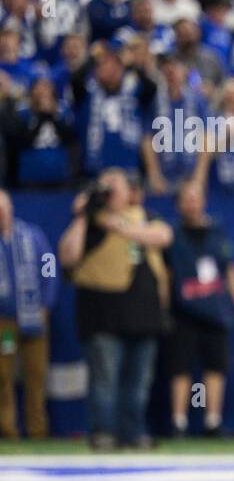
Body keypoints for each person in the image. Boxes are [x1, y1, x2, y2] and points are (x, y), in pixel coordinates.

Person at [57, 167, 172, 449]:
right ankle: (103, 432)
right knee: (104, 379)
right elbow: (68, 257)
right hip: (102, 314)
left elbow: (164, 236)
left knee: (139, 382)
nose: (109, 192)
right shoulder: (90, 223)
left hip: (144, 315)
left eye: (114, 186)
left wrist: (119, 225)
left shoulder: (145, 217)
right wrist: (83, 215)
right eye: (104, 187)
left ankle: (133, 433)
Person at [164, 182, 234, 437]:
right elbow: (165, 274)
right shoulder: (171, 235)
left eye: (195, 198)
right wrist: (164, 306)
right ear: (178, 204)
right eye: (186, 199)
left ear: (204, 201)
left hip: (216, 310)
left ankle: (212, 421)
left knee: (215, 367)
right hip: (184, 311)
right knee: (181, 368)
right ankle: (179, 421)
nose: (191, 203)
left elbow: (230, 269)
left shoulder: (217, 231)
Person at [0, 189, 57, 438]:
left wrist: (46, 303)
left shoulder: (32, 236)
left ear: (11, 208)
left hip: (35, 320)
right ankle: (8, 430)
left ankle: (37, 430)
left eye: (4, 207)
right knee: (4, 376)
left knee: (36, 375)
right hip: (4, 324)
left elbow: (50, 268)